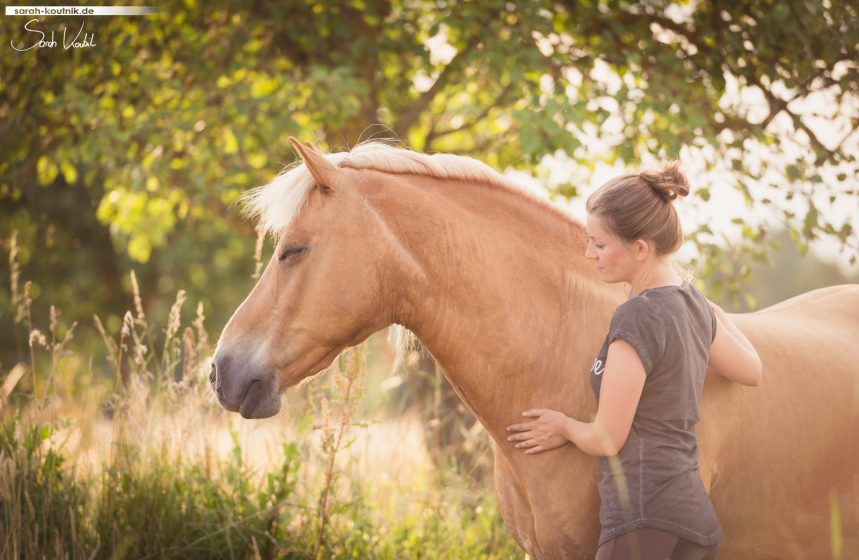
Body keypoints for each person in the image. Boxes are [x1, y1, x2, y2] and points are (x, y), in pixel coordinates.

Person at [505, 162, 763, 560]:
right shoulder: (694, 306)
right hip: (696, 525)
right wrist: (706, 307)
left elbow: (607, 437)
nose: (588, 253)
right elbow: (751, 369)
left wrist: (564, 427)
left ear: (640, 248)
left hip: (643, 522)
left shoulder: (637, 316)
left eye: (600, 243)